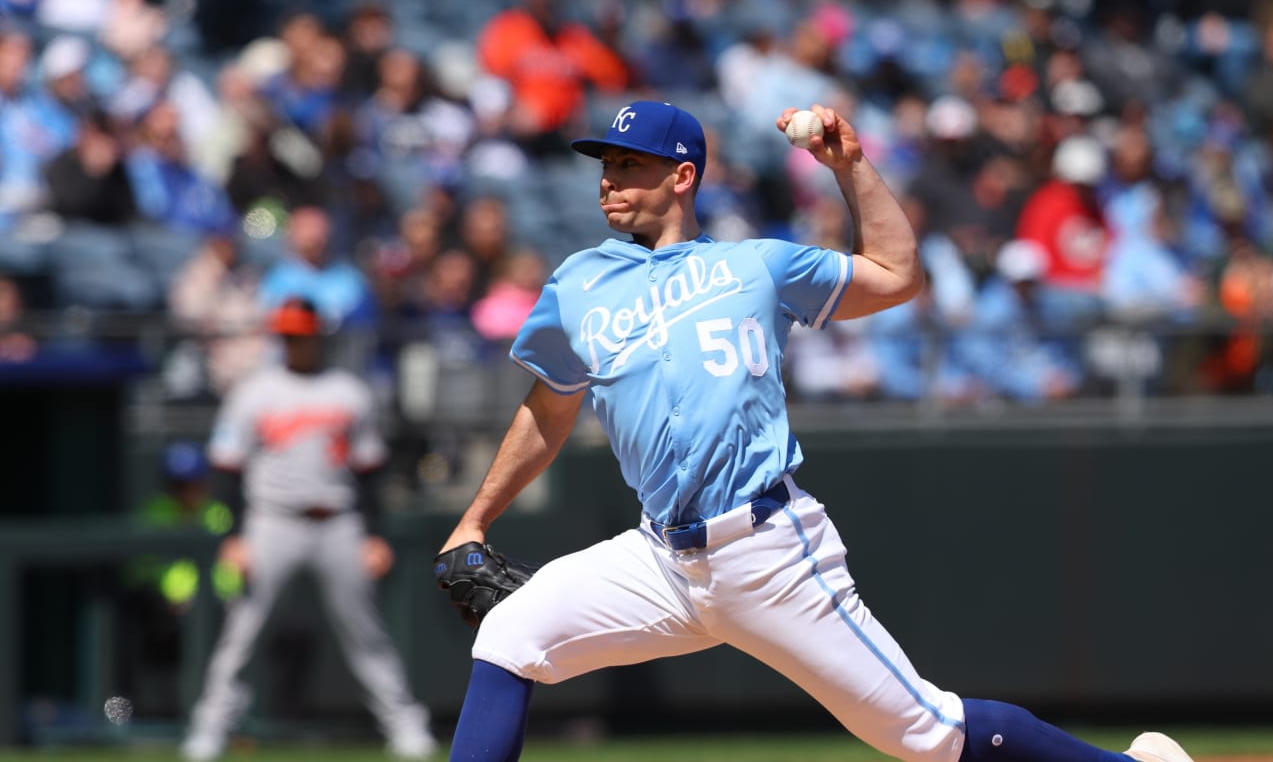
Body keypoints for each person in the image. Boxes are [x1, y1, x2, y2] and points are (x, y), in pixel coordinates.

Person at [433, 100, 1194, 762]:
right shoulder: (580, 283)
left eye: (630, 165)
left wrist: (852, 167)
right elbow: (549, 406)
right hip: (660, 557)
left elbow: (897, 275)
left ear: (682, 175)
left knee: (926, 733)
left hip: (767, 550)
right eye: (606, 163)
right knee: (510, 637)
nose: (609, 178)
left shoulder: (757, 267)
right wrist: (474, 519)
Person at [181, 298, 435, 762]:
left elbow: (369, 472)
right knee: (242, 633)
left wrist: (374, 534)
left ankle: (405, 727)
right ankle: (210, 729)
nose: (297, 343)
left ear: (319, 336)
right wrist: (233, 536)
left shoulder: (346, 391)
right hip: (270, 521)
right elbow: (227, 470)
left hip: (339, 522)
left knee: (366, 633)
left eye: (304, 335)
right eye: (290, 336)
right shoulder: (255, 391)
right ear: (281, 339)